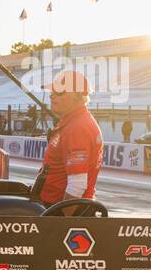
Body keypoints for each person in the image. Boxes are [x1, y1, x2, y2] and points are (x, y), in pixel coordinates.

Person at [37, 70, 103, 207]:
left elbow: (77, 185)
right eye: (52, 91)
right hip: (55, 205)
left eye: (59, 92)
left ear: (76, 96)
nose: (51, 96)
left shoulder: (78, 127)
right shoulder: (70, 121)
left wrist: (63, 222)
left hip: (62, 210)